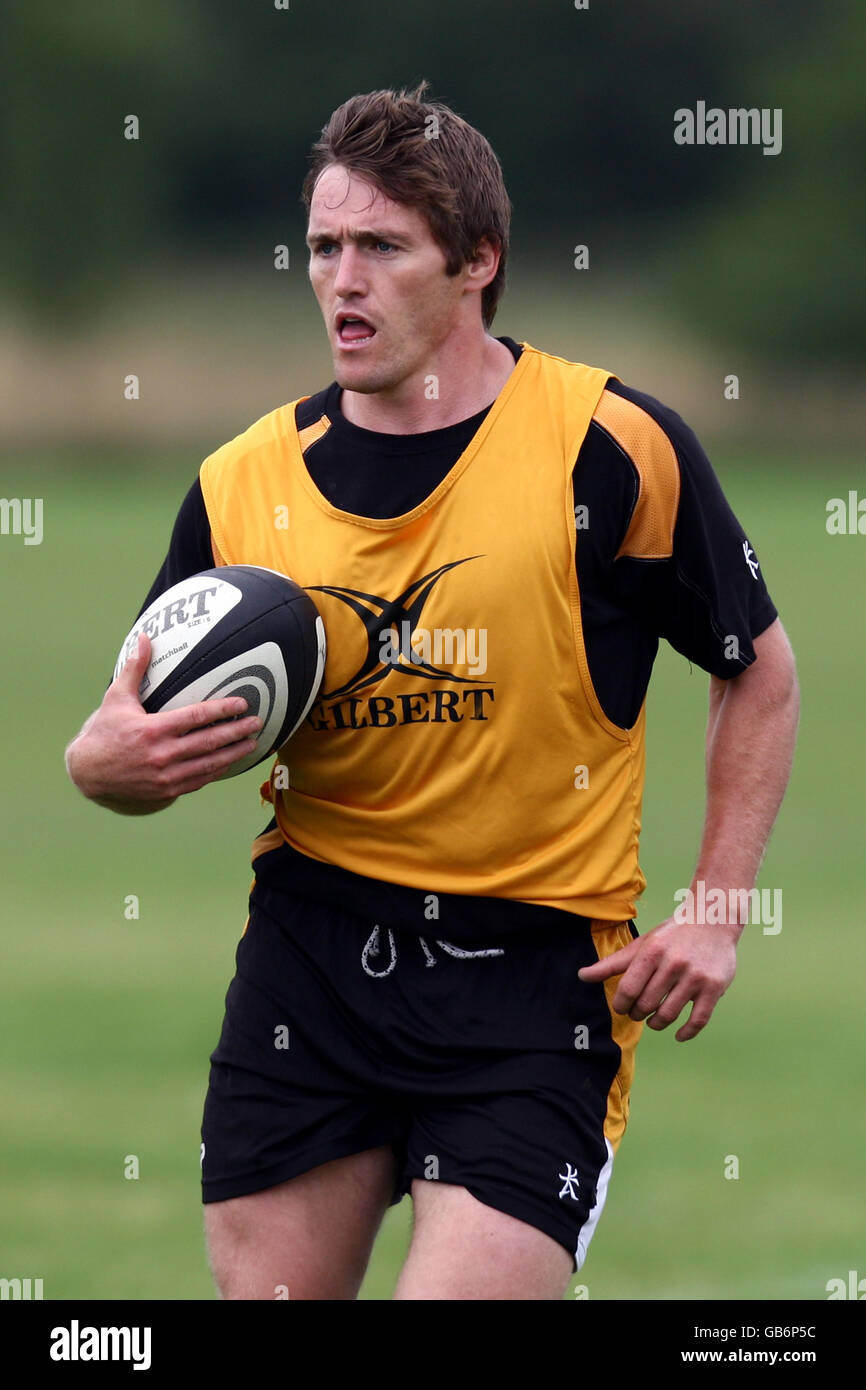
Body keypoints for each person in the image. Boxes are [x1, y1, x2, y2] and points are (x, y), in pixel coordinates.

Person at [65, 83, 799, 1301]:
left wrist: (716, 906)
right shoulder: (245, 483)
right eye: (323, 246)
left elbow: (756, 670)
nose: (342, 279)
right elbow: (114, 736)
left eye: (381, 247)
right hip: (311, 964)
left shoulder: (608, 446)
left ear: (475, 262)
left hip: (534, 982)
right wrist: (106, 767)